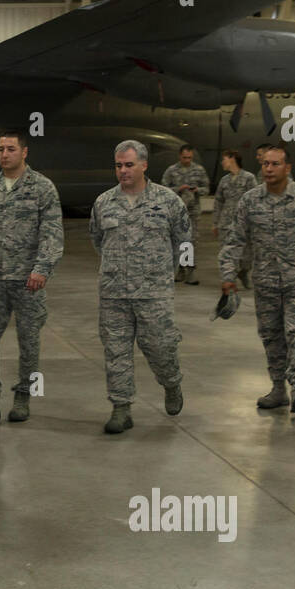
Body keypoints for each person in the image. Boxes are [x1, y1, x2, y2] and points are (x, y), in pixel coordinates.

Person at [218, 144, 295, 414]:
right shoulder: (250, 200)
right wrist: (228, 274)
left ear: (288, 167)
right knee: (271, 335)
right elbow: (234, 239)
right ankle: (277, 389)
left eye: (275, 164)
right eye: (265, 164)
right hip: (266, 281)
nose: (269, 169)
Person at [89, 140, 190, 435]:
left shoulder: (169, 201)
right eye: (118, 165)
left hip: (154, 293)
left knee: (161, 348)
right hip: (114, 292)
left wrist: (165, 273)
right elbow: (98, 240)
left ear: (144, 165)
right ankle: (121, 408)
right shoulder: (103, 202)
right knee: (116, 351)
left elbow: (183, 240)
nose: (123, 171)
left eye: (129, 165)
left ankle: (171, 383)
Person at [0, 131, 64, 424]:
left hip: (28, 280)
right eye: (0, 148)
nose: (4, 154)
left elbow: (52, 233)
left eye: (11, 148)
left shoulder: (42, 188)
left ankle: (24, 395)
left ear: (24, 152)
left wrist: (42, 269)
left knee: (29, 342)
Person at [160, 144, 209, 284]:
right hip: (177, 212)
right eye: (184, 157)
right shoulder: (171, 170)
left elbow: (207, 189)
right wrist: (177, 189)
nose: (187, 160)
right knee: (179, 241)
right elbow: (163, 189)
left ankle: (191, 271)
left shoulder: (199, 170)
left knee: (191, 241)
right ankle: (181, 269)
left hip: (192, 212)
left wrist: (197, 190)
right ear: (179, 156)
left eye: (189, 157)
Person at [212, 150, 257, 289]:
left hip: (244, 222)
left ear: (232, 159)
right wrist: (215, 222)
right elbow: (219, 201)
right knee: (226, 252)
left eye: (224, 159)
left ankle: (243, 273)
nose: (222, 163)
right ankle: (229, 280)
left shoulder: (249, 178)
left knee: (246, 255)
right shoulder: (224, 180)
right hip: (226, 223)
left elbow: (255, 199)